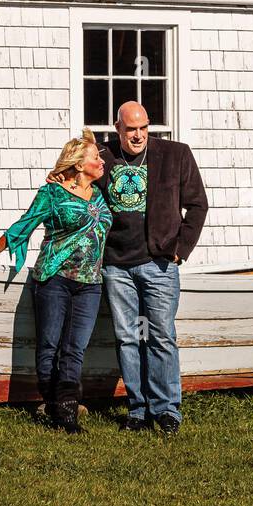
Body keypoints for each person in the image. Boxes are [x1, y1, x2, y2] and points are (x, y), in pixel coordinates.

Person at [0, 129, 112, 433]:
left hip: (90, 283)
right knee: (50, 345)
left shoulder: (100, 193)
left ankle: (67, 412)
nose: (101, 161)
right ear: (78, 164)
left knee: (75, 348)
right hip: (54, 280)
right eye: (95, 157)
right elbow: (22, 226)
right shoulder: (52, 193)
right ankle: (55, 406)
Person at [85, 102, 207, 435]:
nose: (137, 135)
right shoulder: (102, 157)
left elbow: (197, 205)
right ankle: (137, 410)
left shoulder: (175, 154)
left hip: (159, 263)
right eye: (130, 129)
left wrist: (180, 251)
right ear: (117, 128)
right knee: (127, 339)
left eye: (143, 128)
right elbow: (77, 186)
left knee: (161, 336)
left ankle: (166, 410)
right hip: (117, 266)